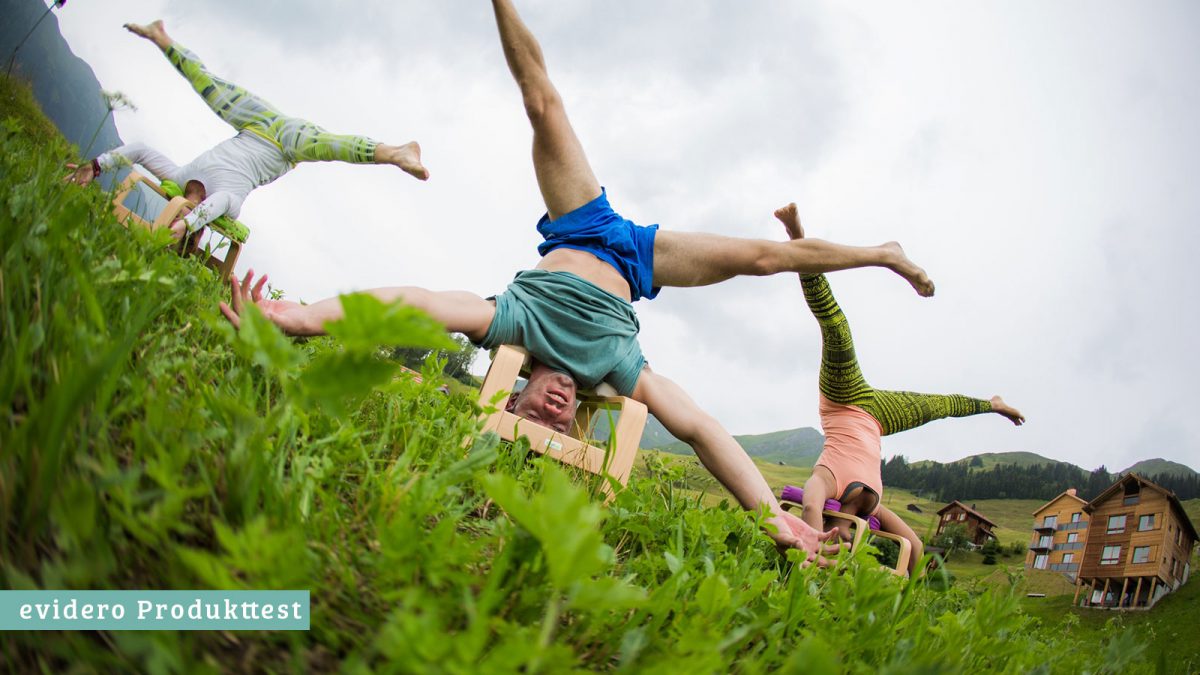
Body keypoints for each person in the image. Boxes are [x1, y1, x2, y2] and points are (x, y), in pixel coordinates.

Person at [222, 0, 938, 560]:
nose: (557, 407)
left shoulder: (508, 324)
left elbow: (412, 302)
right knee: (762, 259)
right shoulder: (615, 366)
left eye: (537, 410)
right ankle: (881, 251)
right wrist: (771, 514)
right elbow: (699, 427)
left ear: (516, 388)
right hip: (638, 261)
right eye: (560, 420)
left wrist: (302, 316)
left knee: (542, 103)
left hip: (580, 226)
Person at [772, 202, 1024, 574]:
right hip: (878, 418)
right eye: (847, 545)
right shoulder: (873, 507)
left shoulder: (825, 484)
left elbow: (809, 506)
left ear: (828, 529)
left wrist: (810, 555)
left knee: (837, 328)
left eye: (835, 541)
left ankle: (798, 239)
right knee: (939, 406)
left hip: (844, 399)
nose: (842, 543)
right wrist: (910, 587)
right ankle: (994, 403)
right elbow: (915, 544)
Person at [64, 20, 428, 243]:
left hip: (253, 125)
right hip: (285, 143)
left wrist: (93, 167)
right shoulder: (228, 202)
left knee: (212, 89)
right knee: (323, 145)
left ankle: (162, 38)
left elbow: (140, 149)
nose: (183, 213)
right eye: (184, 218)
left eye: (178, 216)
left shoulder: (178, 176)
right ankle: (395, 153)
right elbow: (216, 206)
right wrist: (190, 225)